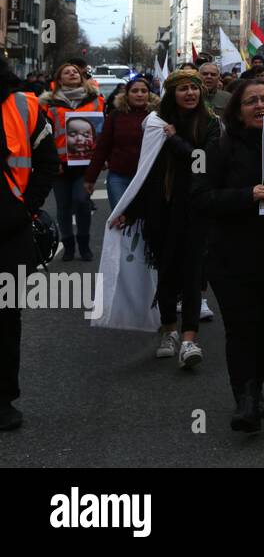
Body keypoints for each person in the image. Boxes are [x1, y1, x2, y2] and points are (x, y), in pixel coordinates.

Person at [192, 80, 264, 432]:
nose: (260, 105)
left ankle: (256, 386)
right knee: (242, 328)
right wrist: (248, 195)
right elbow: (199, 197)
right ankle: (244, 399)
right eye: (251, 101)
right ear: (237, 109)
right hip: (230, 256)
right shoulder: (218, 147)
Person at [122, 69, 218, 369]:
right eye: (183, 89)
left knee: (191, 275)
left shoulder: (211, 124)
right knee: (166, 274)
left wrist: (176, 141)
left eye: (194, 88)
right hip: (162, 210)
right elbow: (146, 171)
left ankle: (189, 338)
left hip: (195, 210)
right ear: (171, 93)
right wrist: (130, 210)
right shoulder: (156, 125)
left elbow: (202, 163)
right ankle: (168, 331)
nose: (190, 93)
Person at [0, 58, 60, 430]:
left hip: (8, 232)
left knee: (5, 320)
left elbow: (47, 162)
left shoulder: (25, 105)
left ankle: (3, 401)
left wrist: (25, 210)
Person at [39, 61, 105, 261]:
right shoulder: (47, 103)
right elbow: (43, 134)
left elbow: (103, 129)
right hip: (59, 164)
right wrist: (49, 161)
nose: (72, 74)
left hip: (86, 162)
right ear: (59, 80)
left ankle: (84, 244)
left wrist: (103, 156)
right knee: (63, 207)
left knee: (82, 201)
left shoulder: (96, 99)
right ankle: (68, 246)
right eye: (66, 72)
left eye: (75, 71)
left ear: (81, 76)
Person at [83, 77, 157, 211]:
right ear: (127, 95)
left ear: (149, 94)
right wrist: (91, 178)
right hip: (120, 176)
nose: (139, 94)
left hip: (149, 176)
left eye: (144, 91)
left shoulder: (158, 116)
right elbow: (102, 147)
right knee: (120, 219)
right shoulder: (115, 115)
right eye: (135, 91)